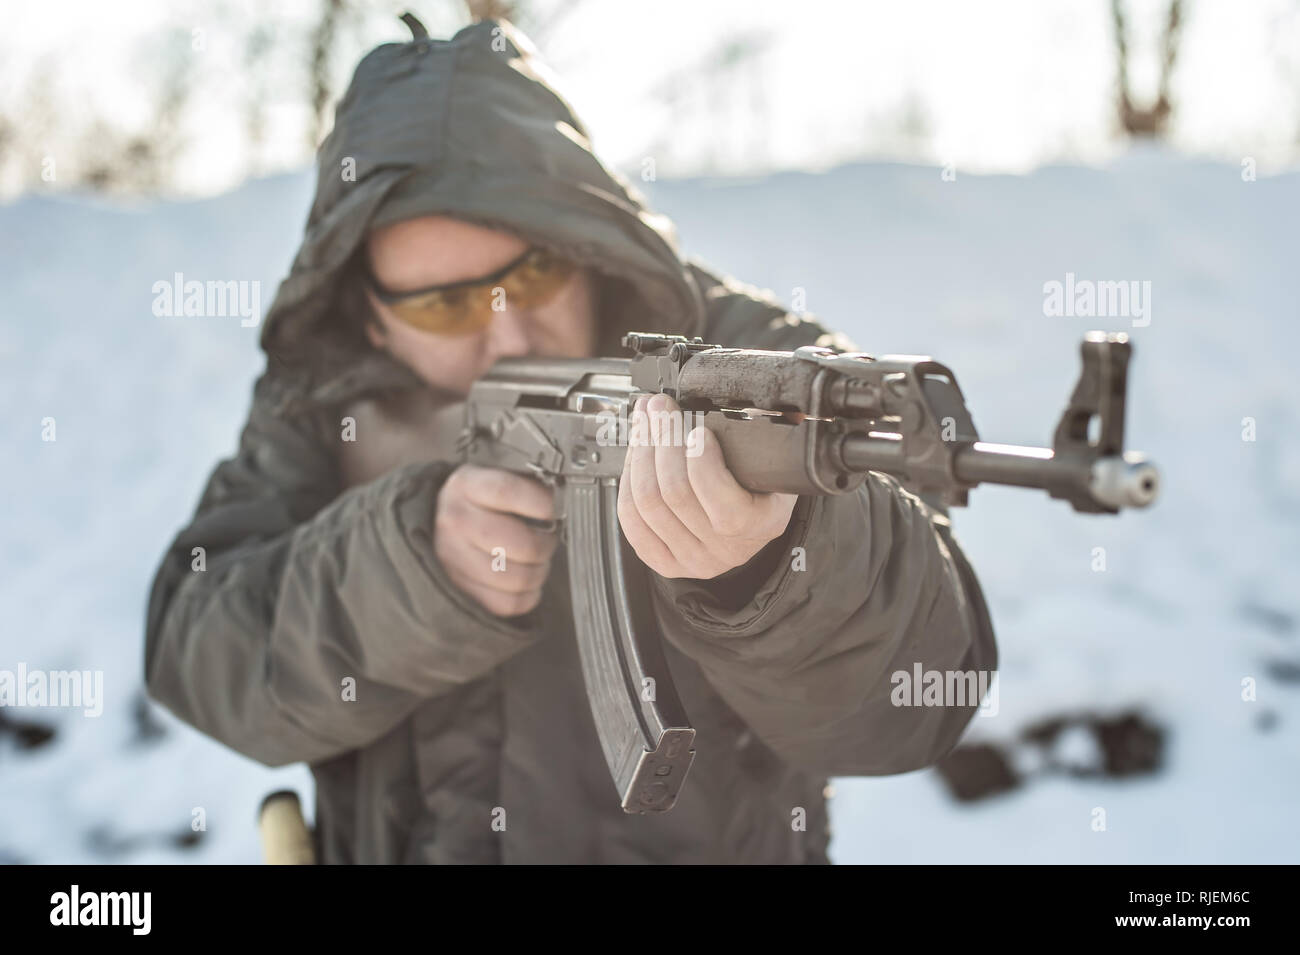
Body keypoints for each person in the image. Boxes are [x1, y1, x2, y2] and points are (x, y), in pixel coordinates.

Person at [144, 15, 997, 864]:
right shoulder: (326, 403)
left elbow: (917, 699)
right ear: (368, 310)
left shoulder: (755, 368)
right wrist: (406, 570)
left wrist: (772, 568)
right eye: (446, 304)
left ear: (589, 247)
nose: (510, 336)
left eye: (534, 274)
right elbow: (196, 653)